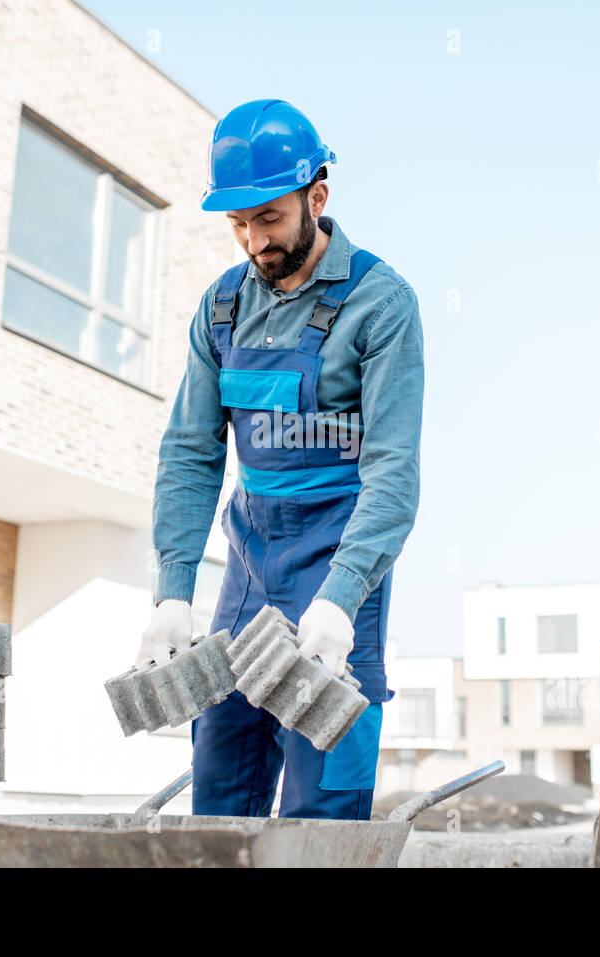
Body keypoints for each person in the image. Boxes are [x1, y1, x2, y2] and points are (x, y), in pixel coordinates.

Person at [138, 98, 424, 820]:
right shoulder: (222, 307)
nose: (254, 240)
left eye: (268, 218)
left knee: (322, 810)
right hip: (246, 575)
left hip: (336, 575)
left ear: (316, 196)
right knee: (221, 789)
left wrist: (341, 597)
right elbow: (191, 452)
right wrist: (174, 589)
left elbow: (392, 475)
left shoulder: (381, 304)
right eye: (238, 223)